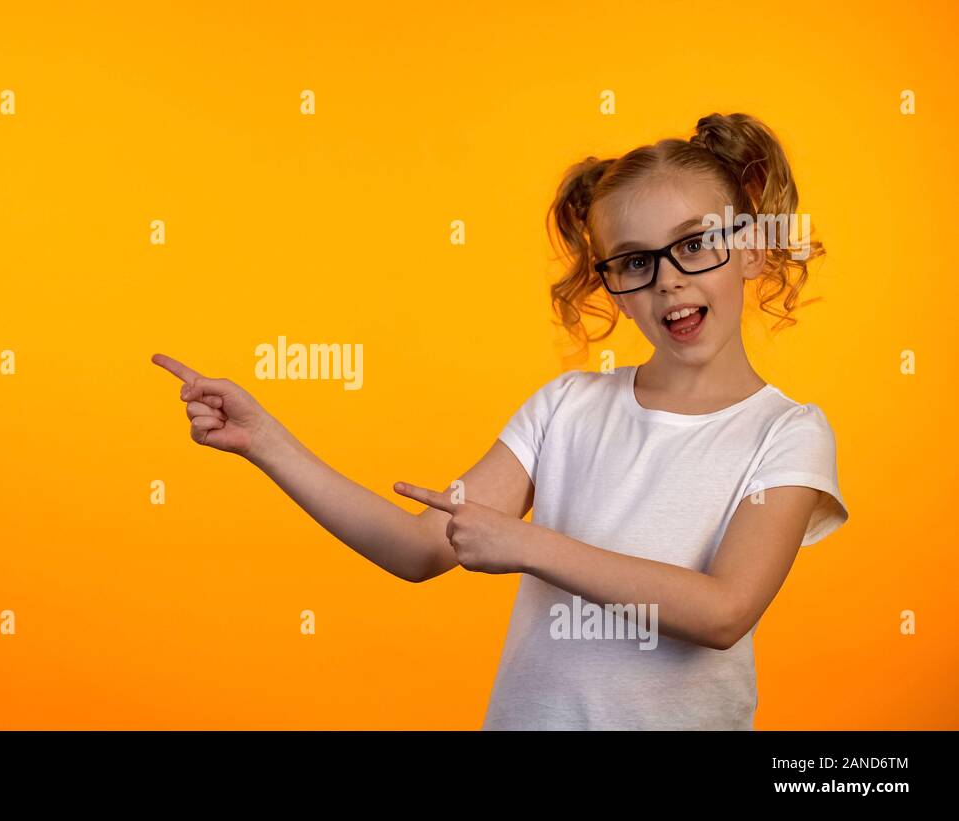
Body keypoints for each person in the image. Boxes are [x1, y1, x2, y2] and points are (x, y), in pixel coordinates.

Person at [151, 112, 848, 730]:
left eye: (696, 244)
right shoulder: (567, 407)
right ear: (611, 285)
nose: (669, 279)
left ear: (753, 248)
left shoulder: (785, 433)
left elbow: (723, 611)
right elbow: (422, 548)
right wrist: (267, 442)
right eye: (636, 262)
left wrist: (528, 544)